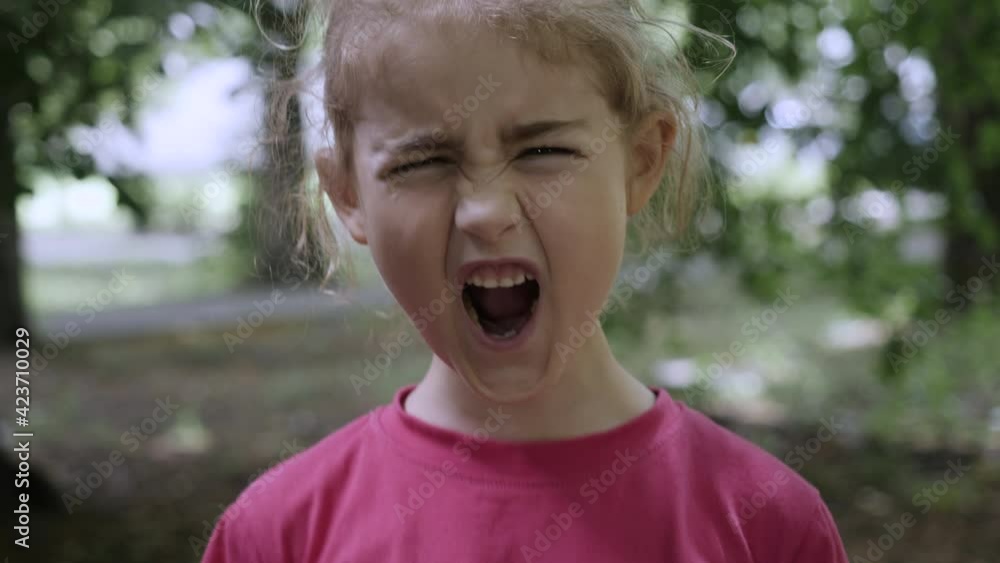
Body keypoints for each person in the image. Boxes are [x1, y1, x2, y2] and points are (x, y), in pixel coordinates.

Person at [202, 0, 850, 561]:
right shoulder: (277, 537)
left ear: (642, 160)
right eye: (422, 162)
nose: (485, 212)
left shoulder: (767, 527)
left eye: (543, 152)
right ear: (348, 193)